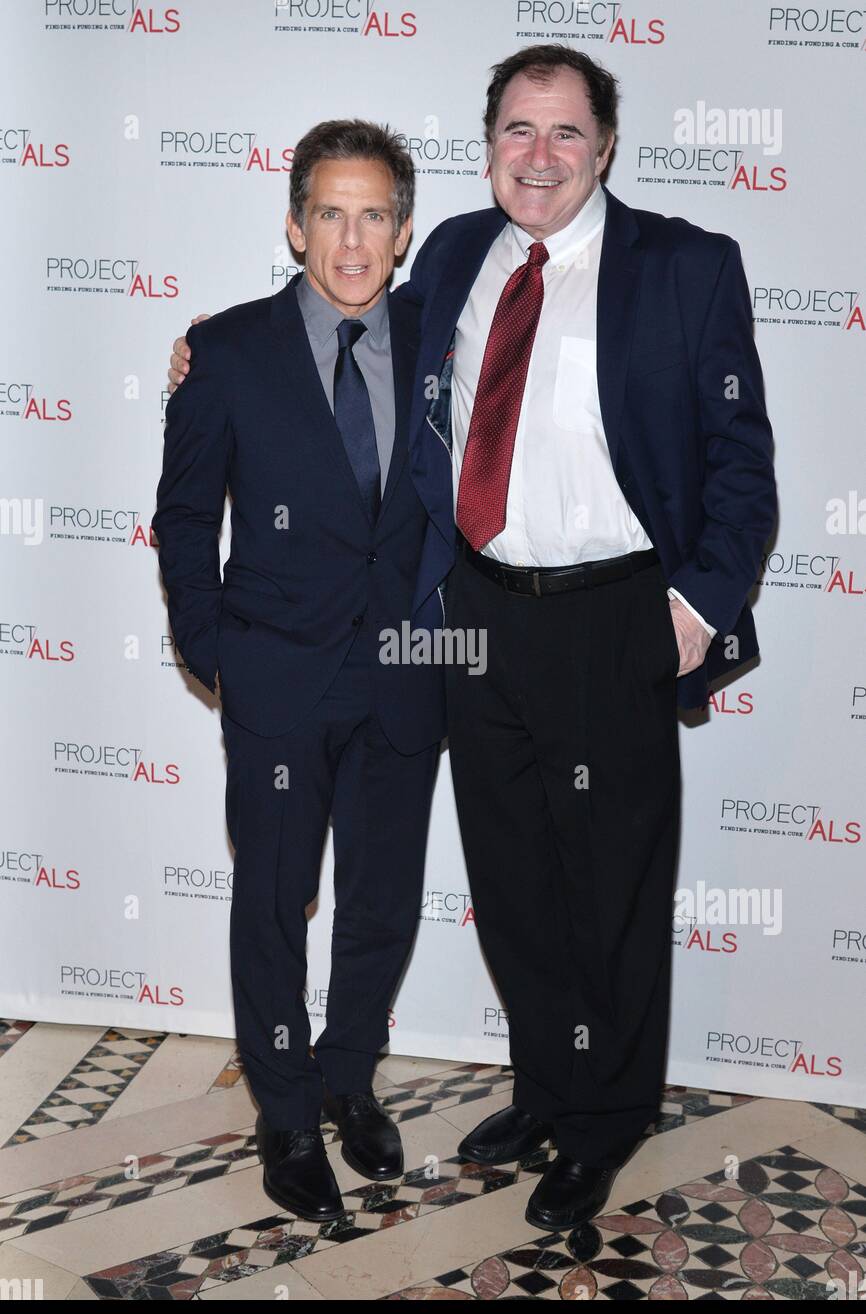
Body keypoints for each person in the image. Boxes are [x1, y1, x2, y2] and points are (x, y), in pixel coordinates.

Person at [166, 45, 776, 1233]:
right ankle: (531, 1089)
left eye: (562, 133)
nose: (537, 155)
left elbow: (739, 470)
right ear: (486, 141)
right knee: (510, 878)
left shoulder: (683, 267)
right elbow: (275, 388)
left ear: (604, 145)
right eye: (515, 130)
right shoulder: (453, 258)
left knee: (604, 886)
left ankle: (602, 1120)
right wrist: (200, 356)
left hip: (612, 614)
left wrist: (693, 610)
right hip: (471, 628)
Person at [152, 120, 444, 1223]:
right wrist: (211, 649)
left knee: (382, 902)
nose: (352, 238)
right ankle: (282, 1110)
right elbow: (184, 516)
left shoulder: (440, 335)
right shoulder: (225, 351)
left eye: (374, 214)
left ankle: (344, 1077)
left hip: (409, 673)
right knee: (275, 902)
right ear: (293, 223)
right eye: (330, 211)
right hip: (276, 677)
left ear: (404, 231)